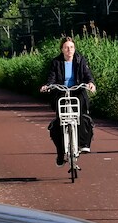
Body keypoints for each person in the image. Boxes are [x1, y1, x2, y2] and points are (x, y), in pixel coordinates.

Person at [41, 37, 96, 166]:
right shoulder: (56, 62)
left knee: (81, 116)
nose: (69, 50)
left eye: (71, 47)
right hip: (61, 92)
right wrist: (48, 86)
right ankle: (61, 153)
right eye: (66, 47)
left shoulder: (80, 60)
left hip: (77, 91)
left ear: (74, 49)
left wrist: (90, 83)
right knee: (59, 122)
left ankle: (83, 144)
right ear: (62, 49)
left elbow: (87, 74)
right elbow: (52, 77)